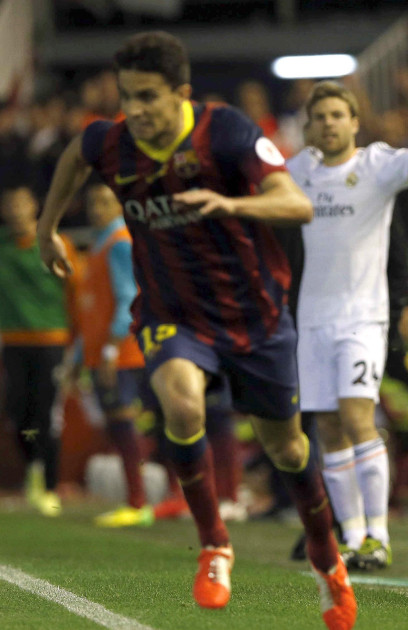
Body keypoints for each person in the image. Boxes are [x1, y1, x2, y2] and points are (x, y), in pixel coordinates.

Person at [35, 31, 355, 629]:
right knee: (182, 407)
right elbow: (76, 153)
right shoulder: (113, 142)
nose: (135, 111)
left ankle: (326, 557)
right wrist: (48, 226)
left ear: (181, 93)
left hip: (256, 318)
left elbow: (296, 205)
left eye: (148, 97)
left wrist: (233, 204)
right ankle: (214, 543)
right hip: (173, 314)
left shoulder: (225, 132)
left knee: (288, 449)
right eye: (127, 97)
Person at [286, 78, 408, 571]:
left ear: (354, 122)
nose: (328, 124)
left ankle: (379, 536)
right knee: (327, 426)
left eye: (336, 115)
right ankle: (352, 535)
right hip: (311, 320)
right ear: (309, 127)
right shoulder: (298, 171)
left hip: (362, 317)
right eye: (320, 117)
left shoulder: (376, 166)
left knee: (358, 417)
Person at [59, 183, 153, 527]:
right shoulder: (99, 245)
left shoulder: (119, 243)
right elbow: (92, 310)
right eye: (93, 202)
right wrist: (78, 358)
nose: (97, 208)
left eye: (105, 202)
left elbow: (128, 300)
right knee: (118, 424)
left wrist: (111, 350)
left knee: (124, 422)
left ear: (120, 206)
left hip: (122, 353)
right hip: (101, 353)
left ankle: (139, 502)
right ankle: (139, 499)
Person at [1, 185, 79, 518]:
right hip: (13, 342)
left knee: (47, 415)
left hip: (52, 340)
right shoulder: (3, 246)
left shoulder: (56, 243)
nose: (16, 211)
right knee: (17, 411)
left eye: (21, 204)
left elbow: (75, 290)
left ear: (35, 206)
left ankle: (49, 487)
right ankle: (33, 468)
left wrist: (78, 344)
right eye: (10, 205)